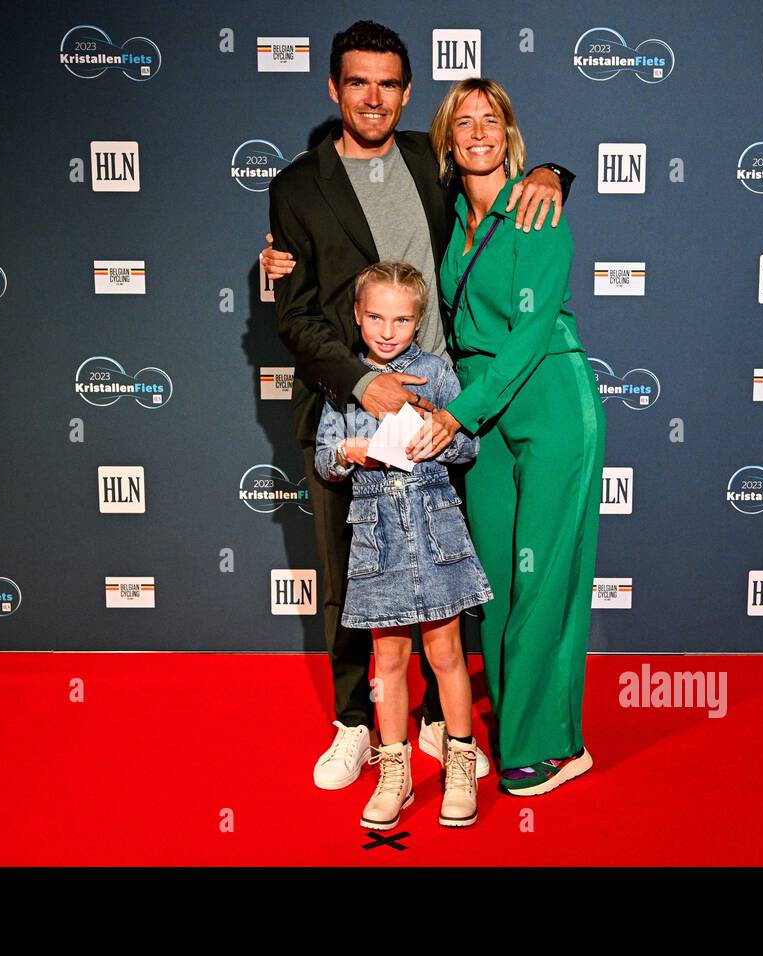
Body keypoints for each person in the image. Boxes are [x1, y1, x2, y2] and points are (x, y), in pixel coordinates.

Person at [265, 20, 574, 791]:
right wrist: (358, 380)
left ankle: (440, 719)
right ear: (335, 88)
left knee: (450, 573)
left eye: (389, 84)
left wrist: (555, 174)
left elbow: (490, 178)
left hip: (443, 400)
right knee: (351, 577)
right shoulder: (296, 185)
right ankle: (354, 724)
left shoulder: (422, 159)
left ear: (405, 94)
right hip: (352, 402)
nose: (373, 97)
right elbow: (294, 313)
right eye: (358, 82)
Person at [407, 77, 607, 796]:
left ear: (509, 133)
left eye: (491, 119)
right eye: (465, 122)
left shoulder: (538, 204)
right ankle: (510, 726)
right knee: (492, 582)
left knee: (545, 577)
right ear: (448, 140)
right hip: (483, 414)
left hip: (548, 397)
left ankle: (550, 743)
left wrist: (457, 414)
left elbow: (526, 336)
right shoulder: (453, 218)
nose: (479, 131)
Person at [315, 261, 491, 829]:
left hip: (435, 528)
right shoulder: (348, 382)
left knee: (446, 656)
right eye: (374, 317)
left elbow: (469, 450)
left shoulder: (437, 374)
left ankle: (459, 763)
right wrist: (350, 451)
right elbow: (323, 457)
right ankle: (396, 774)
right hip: (378, 542)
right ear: (357, 316)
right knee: (387, 663)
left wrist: (438, 428)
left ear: (418, 321)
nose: (387, 331)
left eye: (401, 319)